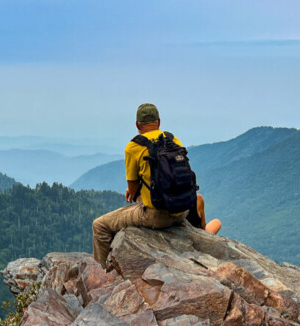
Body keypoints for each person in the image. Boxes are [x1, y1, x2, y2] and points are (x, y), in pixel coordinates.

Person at [92, 103, 220, 266]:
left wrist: (134, 190)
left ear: (137, 125)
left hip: (156, 216)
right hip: (182, 210)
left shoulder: (133, 147)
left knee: (99, 225)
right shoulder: (173, 140)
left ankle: (102, 274)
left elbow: (132, 190)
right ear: (158, 122)